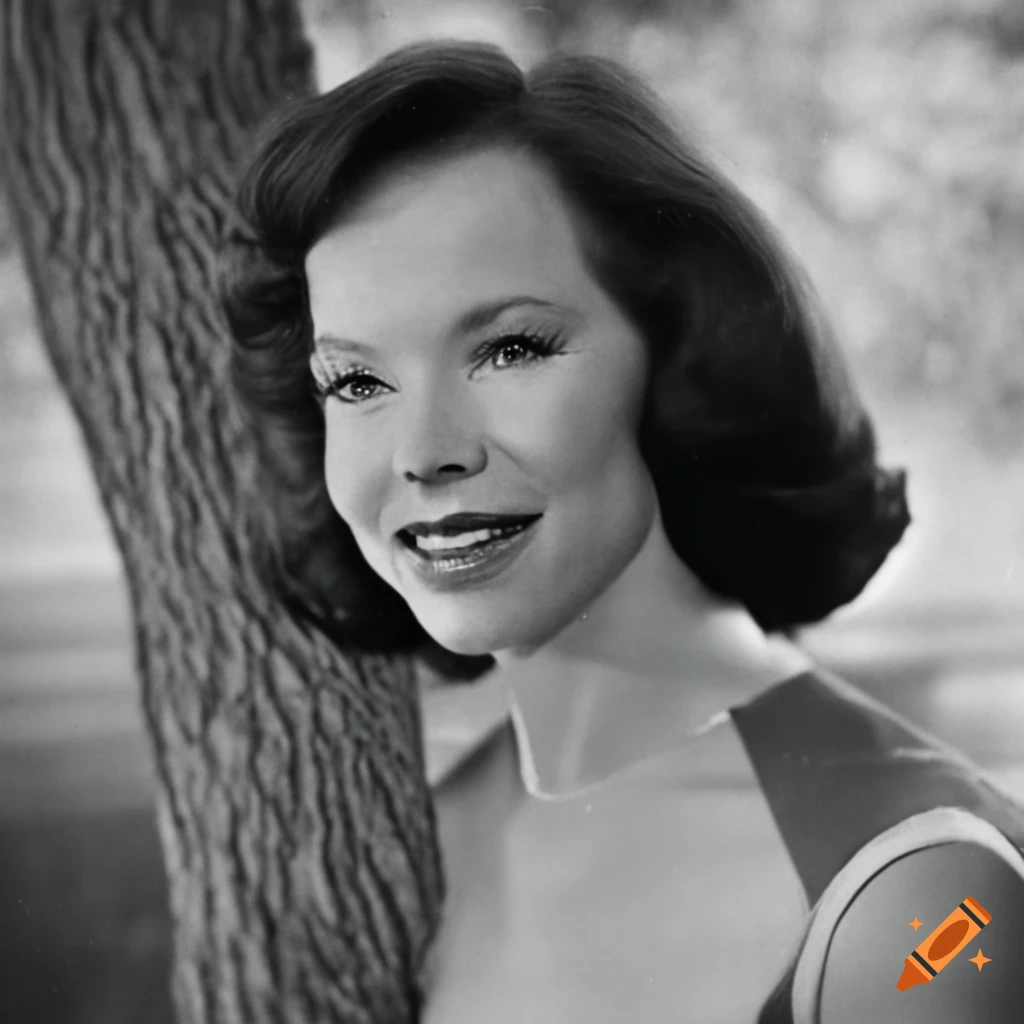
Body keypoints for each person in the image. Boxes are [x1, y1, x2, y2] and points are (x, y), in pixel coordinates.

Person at [218, 38, 1024, 1023]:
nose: (422, 452)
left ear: (680, 356)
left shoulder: (916, 893)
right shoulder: (405, 835)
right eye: (358, 381)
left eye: (507, 348)